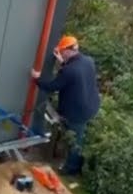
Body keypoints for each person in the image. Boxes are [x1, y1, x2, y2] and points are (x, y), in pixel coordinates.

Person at [30, 34, 101, 175]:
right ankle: (70, 159)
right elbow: (75, 72)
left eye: (62, 52)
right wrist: (62, 62)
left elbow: (52, 86)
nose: (61, 54)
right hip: (91, 105)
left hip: (78, 112)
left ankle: (72, 168)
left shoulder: (69, 71)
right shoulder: (88, 61)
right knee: (76, 135)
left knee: (75, 140)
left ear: (69, 51)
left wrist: (36, 79)